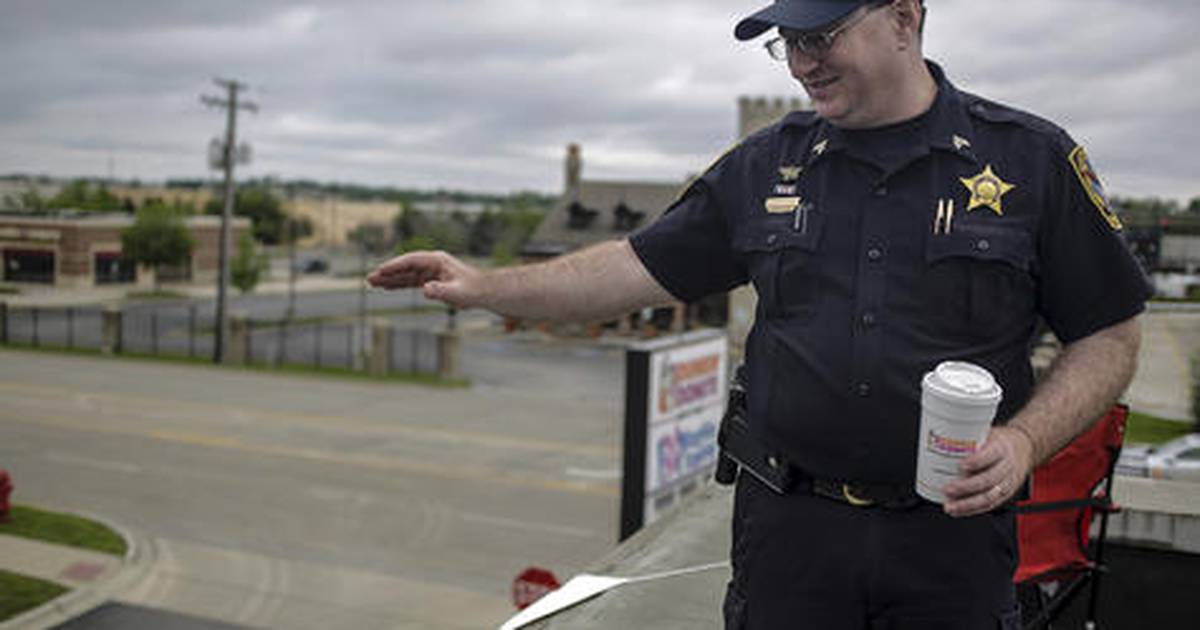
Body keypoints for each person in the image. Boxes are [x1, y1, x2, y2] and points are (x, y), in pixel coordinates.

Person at [368, 0, 1151, 627]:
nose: (803, 61)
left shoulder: (1029, 162)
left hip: (951, 542)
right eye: (788, 42)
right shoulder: (764, 165)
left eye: (821, 34)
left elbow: (1110, 336)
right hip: (789, 538)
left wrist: (1024, 440)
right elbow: (628, 270)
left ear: (904, 18)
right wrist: (482, 286)